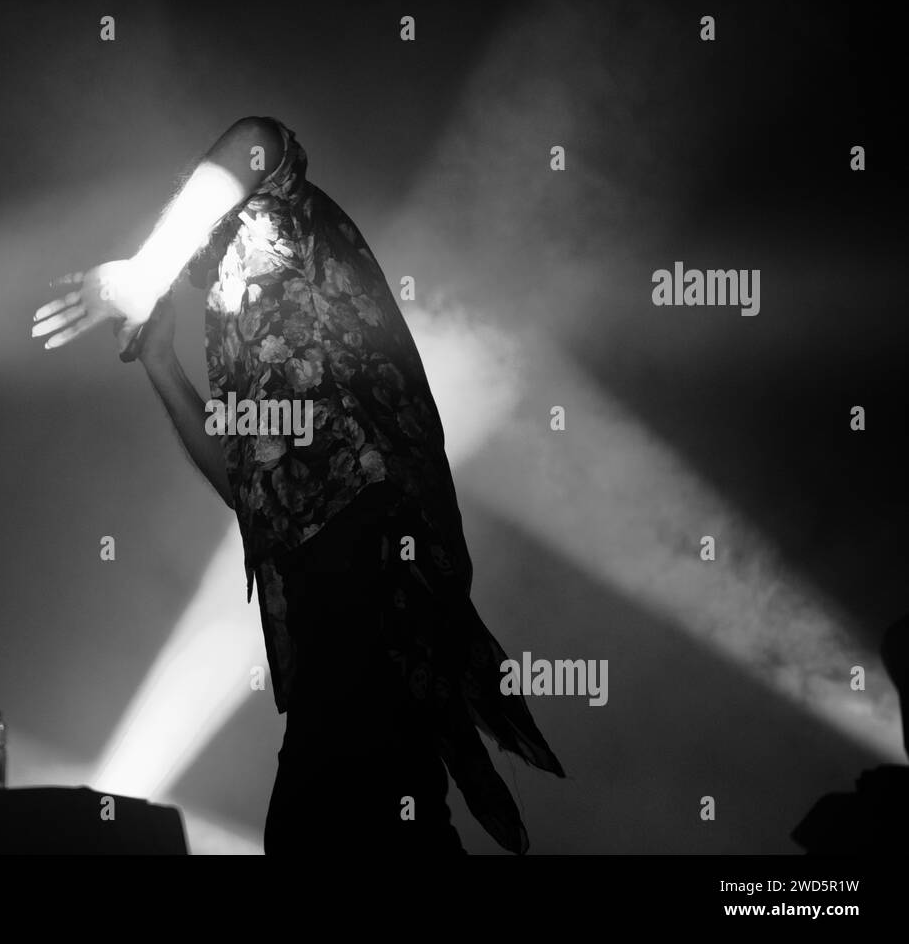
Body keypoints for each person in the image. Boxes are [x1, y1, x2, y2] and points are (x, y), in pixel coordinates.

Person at [33, 116, 564, 854]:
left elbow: (254, 140)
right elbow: (249, 489)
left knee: (328, 809)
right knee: (381, 802)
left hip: (374, 546)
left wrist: (143, 269)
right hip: (324, 579)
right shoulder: (237, 319)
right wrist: (164, 364)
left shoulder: (278, 216)